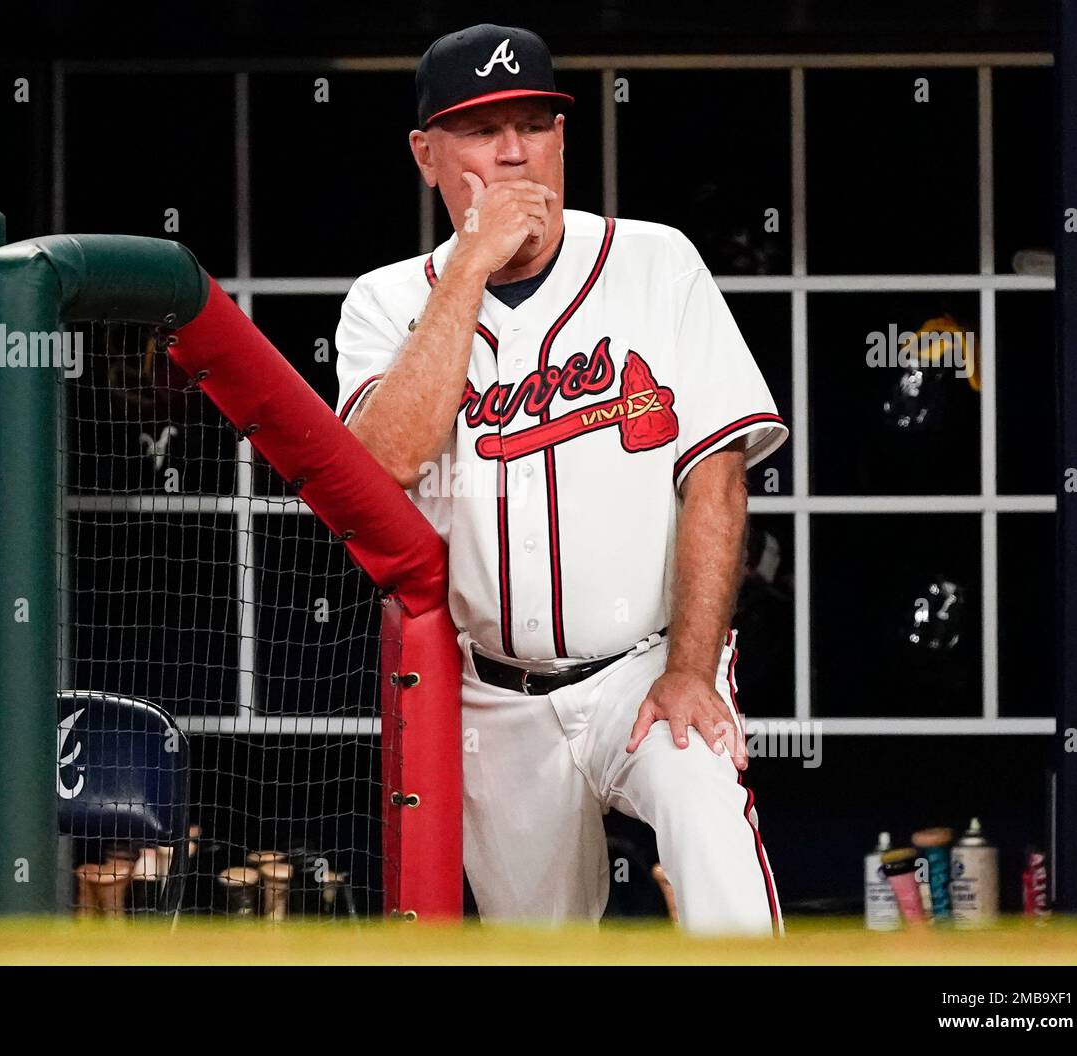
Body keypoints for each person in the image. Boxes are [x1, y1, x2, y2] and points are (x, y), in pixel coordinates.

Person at [334, 23, 788, 934]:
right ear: (427, 156)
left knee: (711, 838)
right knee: (539, 947)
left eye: (535, 123)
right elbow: (385, 463)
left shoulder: (657, 261)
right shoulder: (385, 300)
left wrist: (693, 671)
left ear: (563, 137)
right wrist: (470, 264)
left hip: (645, 666)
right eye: (481, 129)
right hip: (491, 697)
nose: (514, 153)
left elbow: (718, 477)